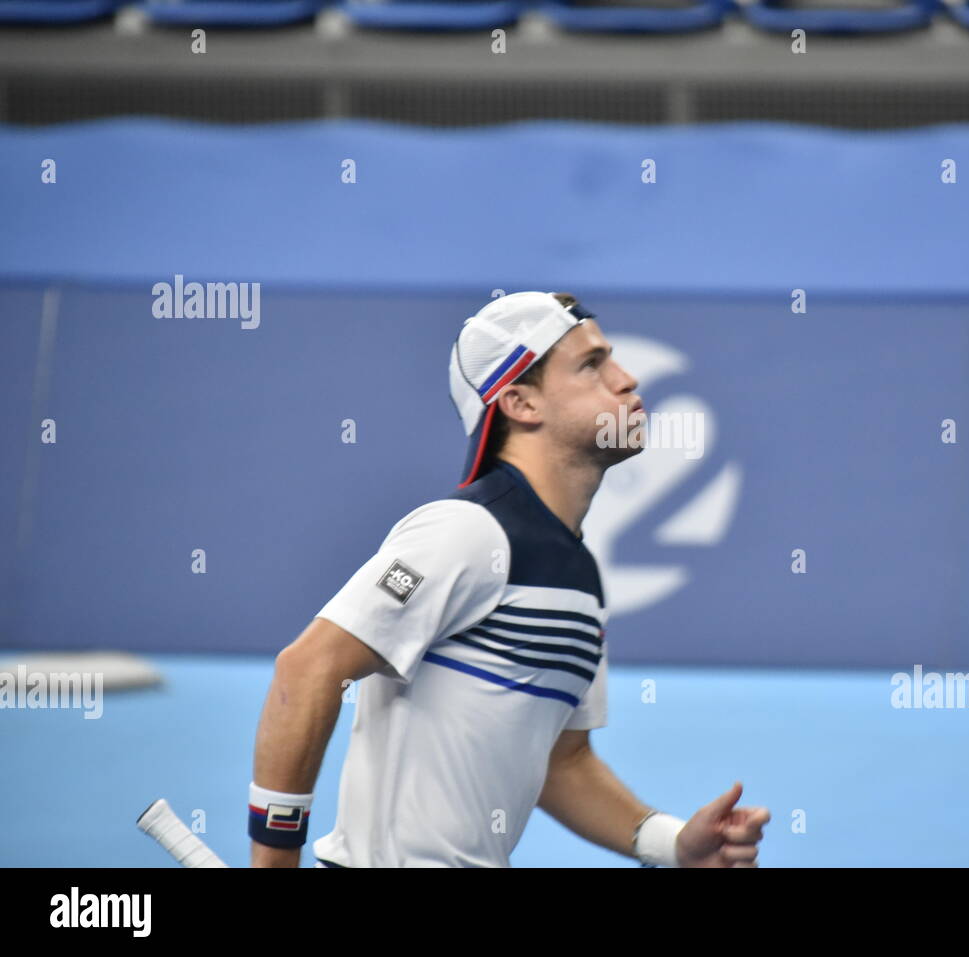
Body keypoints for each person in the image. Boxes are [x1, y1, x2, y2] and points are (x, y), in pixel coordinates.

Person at [248, 290, 770, 867]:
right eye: (591, 365)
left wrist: (671, 846)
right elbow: (308, 667)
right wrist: (273, 861)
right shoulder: (464, 533)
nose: (625, 380)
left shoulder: (579, 577)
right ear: (521, 402)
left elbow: (562, 763)